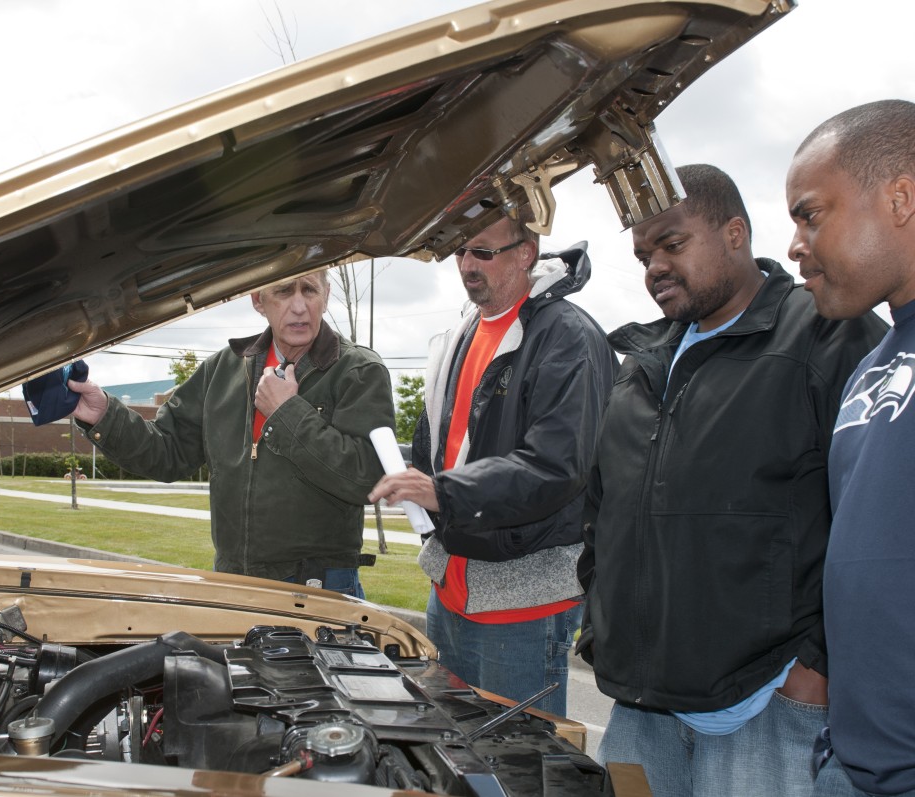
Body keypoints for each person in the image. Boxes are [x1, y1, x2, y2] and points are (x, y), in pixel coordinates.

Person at [578, 164, 887, 797]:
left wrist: (815, 667)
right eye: (643, 255)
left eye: (673, 244)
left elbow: (877, 519)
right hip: (641, 708)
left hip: (767, 710)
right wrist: (601, 622)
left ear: (735, 233)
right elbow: (604, 511)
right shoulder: (640, 363)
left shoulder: (829, 333)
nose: (655, 267)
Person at [367, 213, 616, 717]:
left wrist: (446, 492)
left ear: (526, 254)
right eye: (460, 250)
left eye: (482, 251)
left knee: (518, 763)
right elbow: (446, 444)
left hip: (522, 603)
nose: (466, 264)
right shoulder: (464, 331)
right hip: (451, 587)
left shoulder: (568, 336)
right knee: (456, 753)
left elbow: (556, 465)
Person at [68, 269, 393, 597]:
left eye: (309, 290)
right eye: (283, 291)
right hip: (232, 582)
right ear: (257, 300)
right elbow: (167, 453)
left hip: (319, 587)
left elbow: (365, 479)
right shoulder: (221, 370)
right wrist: (105, 416)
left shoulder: (359, 371)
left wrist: (287, 413)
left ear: (325, 295)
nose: (299, 306)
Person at [786, 100, 915, 797]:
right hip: (852, 763)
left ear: (901, 198)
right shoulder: (871, 365)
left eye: (811, 213)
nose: (796, 243)